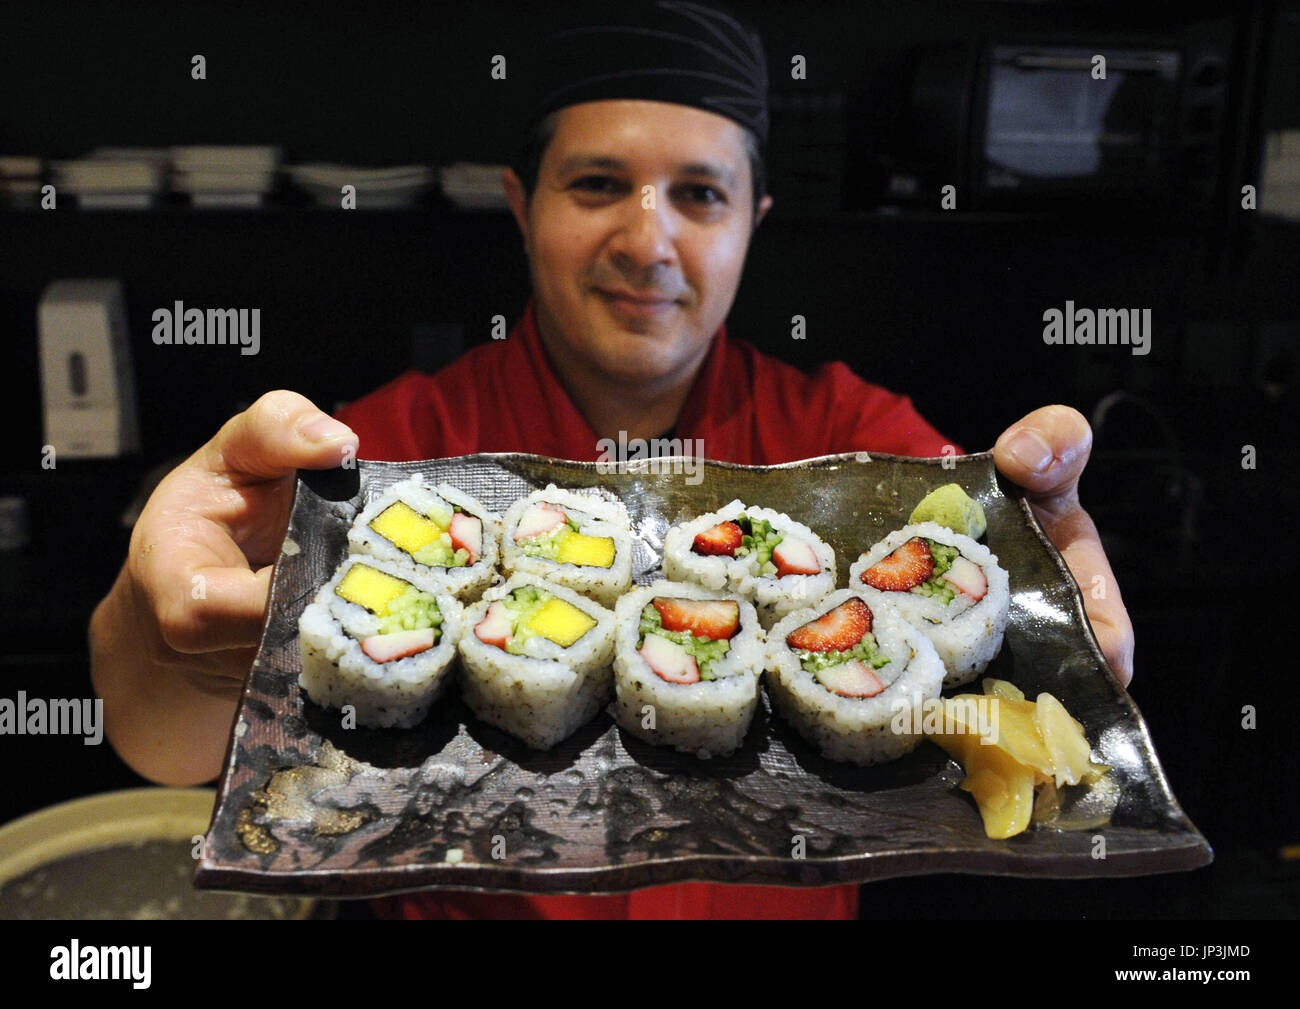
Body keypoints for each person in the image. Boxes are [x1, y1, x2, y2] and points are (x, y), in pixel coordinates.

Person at [89, 2, 1134, 919]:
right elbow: (162, 744)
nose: (648, 241)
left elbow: (981, 660)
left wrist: (1053, 611)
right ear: (520, 202)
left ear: (753, 224)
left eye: (699, 195)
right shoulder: (382, 450)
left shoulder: (858, 434)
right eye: (598, 184)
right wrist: (152, 616)